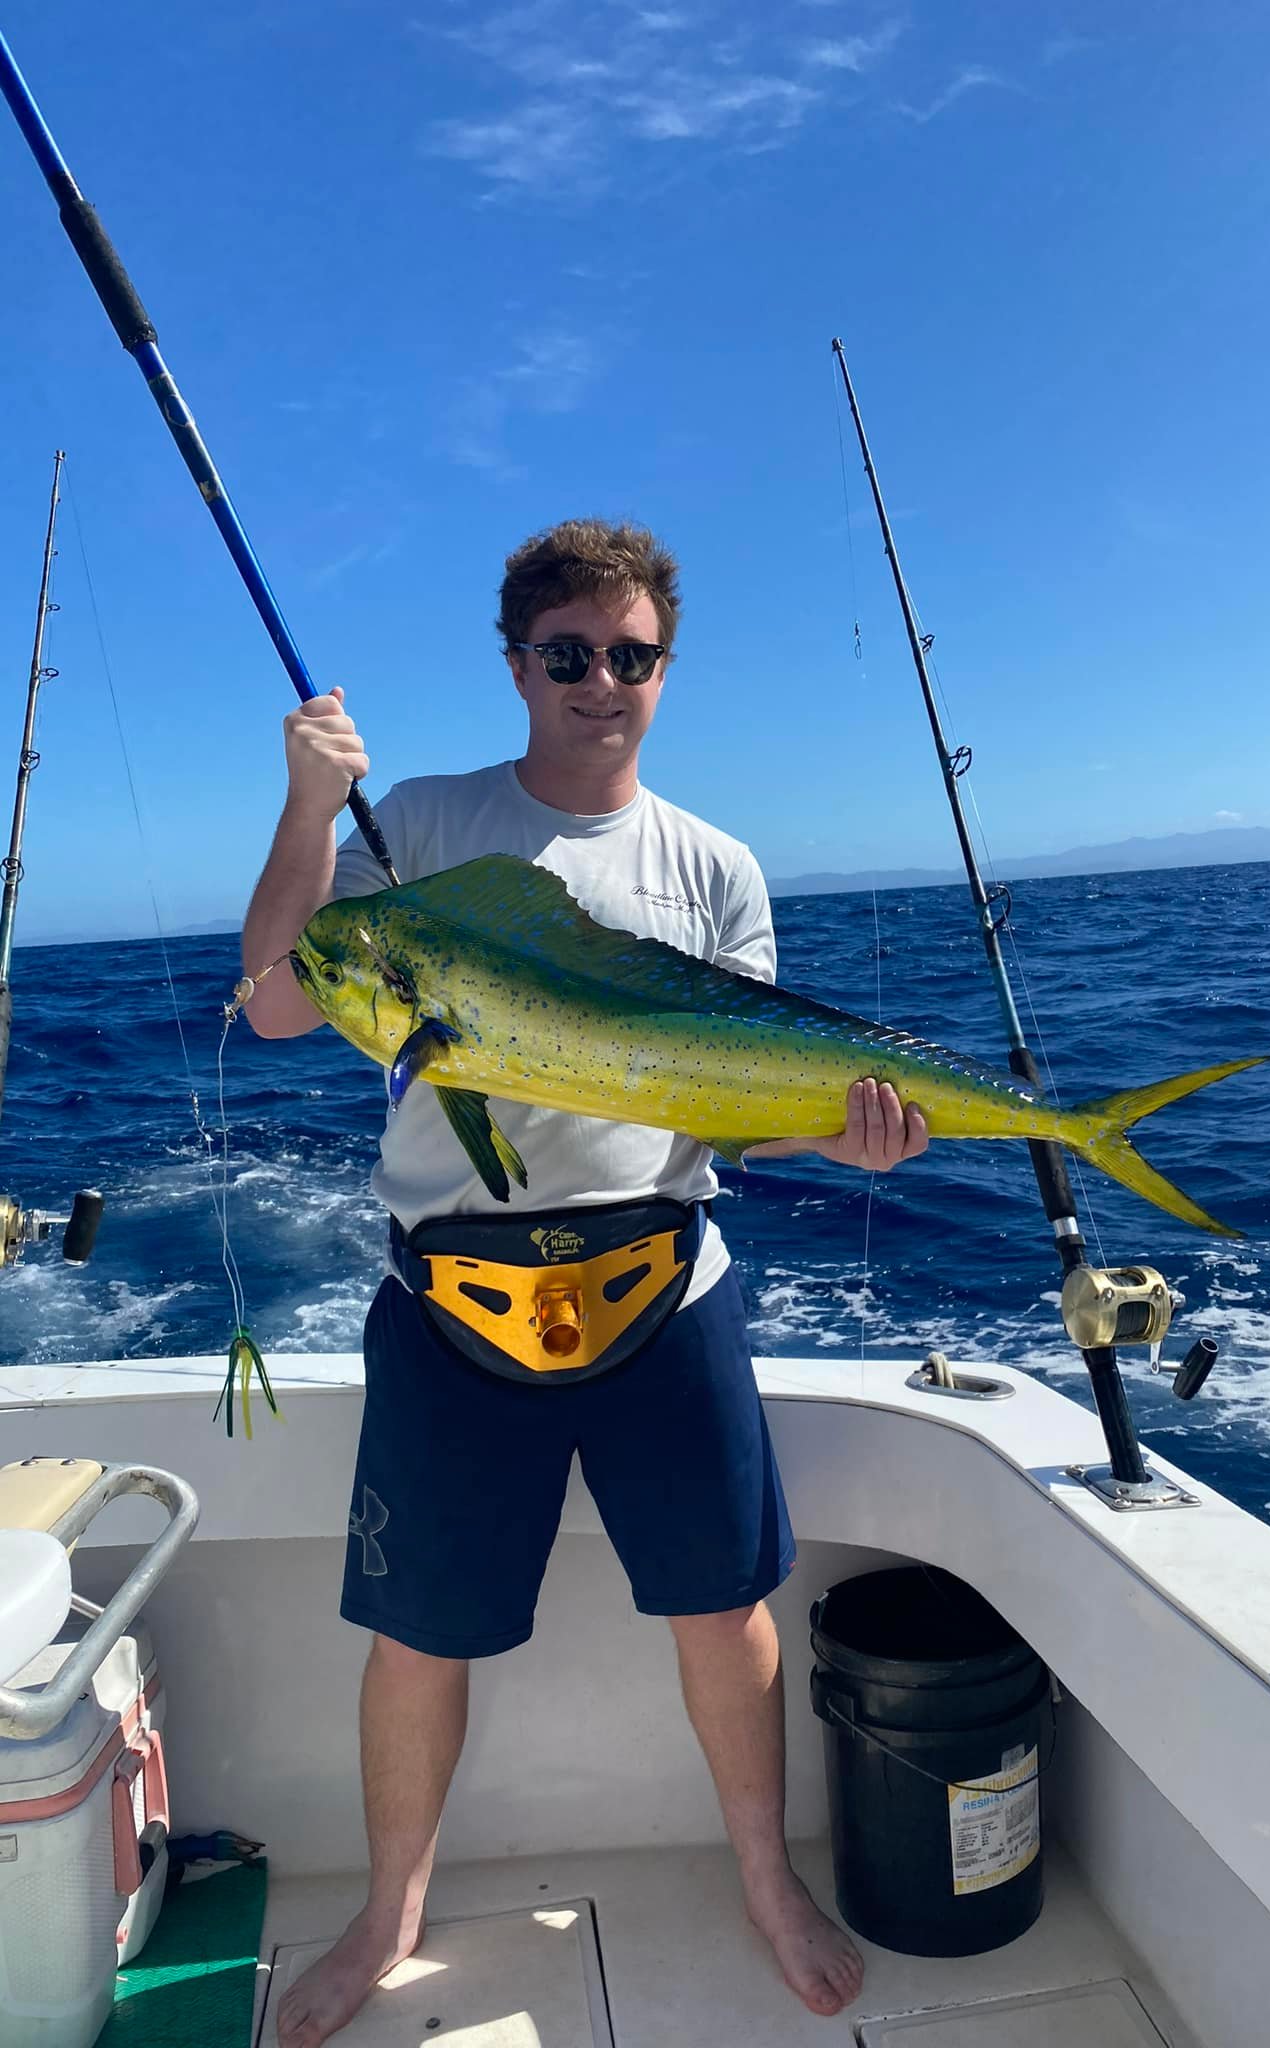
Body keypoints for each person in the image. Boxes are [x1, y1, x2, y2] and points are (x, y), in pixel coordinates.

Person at [241, 519, 929, 2048]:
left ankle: (764, 1879)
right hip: (449, 1301)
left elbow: (747, 1098)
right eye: (569, 654)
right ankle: (392, 1911)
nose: (600, 680)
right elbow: (282, 1007)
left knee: (722, 1606)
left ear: (665, 669)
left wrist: (854, 1139)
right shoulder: (417, 821)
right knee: (416, 1632)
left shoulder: (715, 865)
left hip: (662, 1288)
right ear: (518, 665)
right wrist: (306, 806)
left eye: (631, 655)